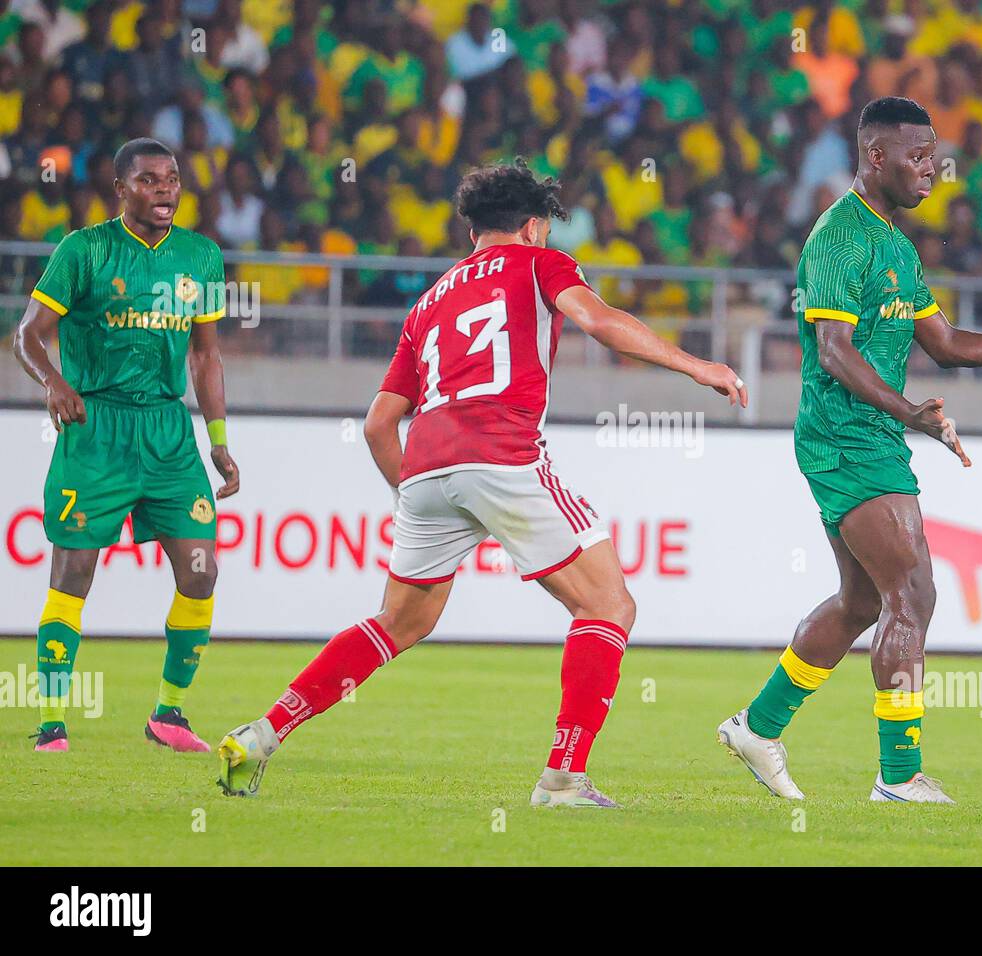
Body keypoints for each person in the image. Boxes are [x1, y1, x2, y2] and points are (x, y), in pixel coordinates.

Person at [217, 160, 746, 807]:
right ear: (531, 227)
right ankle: (562, 779)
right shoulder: (541, 265)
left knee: (399, 621)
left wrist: (414, 496)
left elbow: (380, 423)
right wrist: (698, 366)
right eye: (545, 230)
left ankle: (262, 734)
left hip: (428, 467)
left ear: (473, 231)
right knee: (608, 604)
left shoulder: (429, 301)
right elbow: (601, 322)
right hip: (503, 451)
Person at [718, 98, 982, 803]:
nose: (932, 171)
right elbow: (834, 351)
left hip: (869, 437)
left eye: (935, 157)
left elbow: (947, 343)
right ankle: (899, 777)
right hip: (846, 437)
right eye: (917, 157)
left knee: (861, 602)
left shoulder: (897, 247)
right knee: (914, 591)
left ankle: (760, 726)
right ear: (875, 157)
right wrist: (910, 412)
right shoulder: (839, 239)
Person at [12, 137, 239, 753]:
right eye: (148, 179)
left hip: (169, 433)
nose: (165, 188)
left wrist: (217, 440)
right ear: (122, 189)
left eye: (171, 178)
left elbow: (206, 354)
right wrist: (54, 383)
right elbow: (27, 337)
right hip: (98, 430)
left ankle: (169, 715)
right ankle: (52, 721)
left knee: (201, 571)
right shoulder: (82, 251)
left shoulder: (201, 256)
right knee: (74, 573)